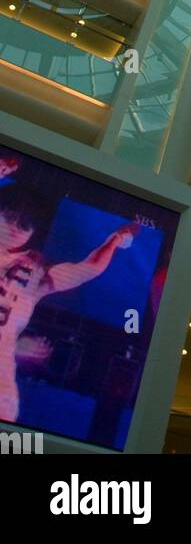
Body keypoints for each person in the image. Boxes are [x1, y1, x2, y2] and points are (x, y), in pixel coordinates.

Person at [0, 156, 139, 426]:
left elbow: (87, 270)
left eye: (26, 223)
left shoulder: (36, 270)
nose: (17, 226)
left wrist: (115, 240)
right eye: (11, 215)